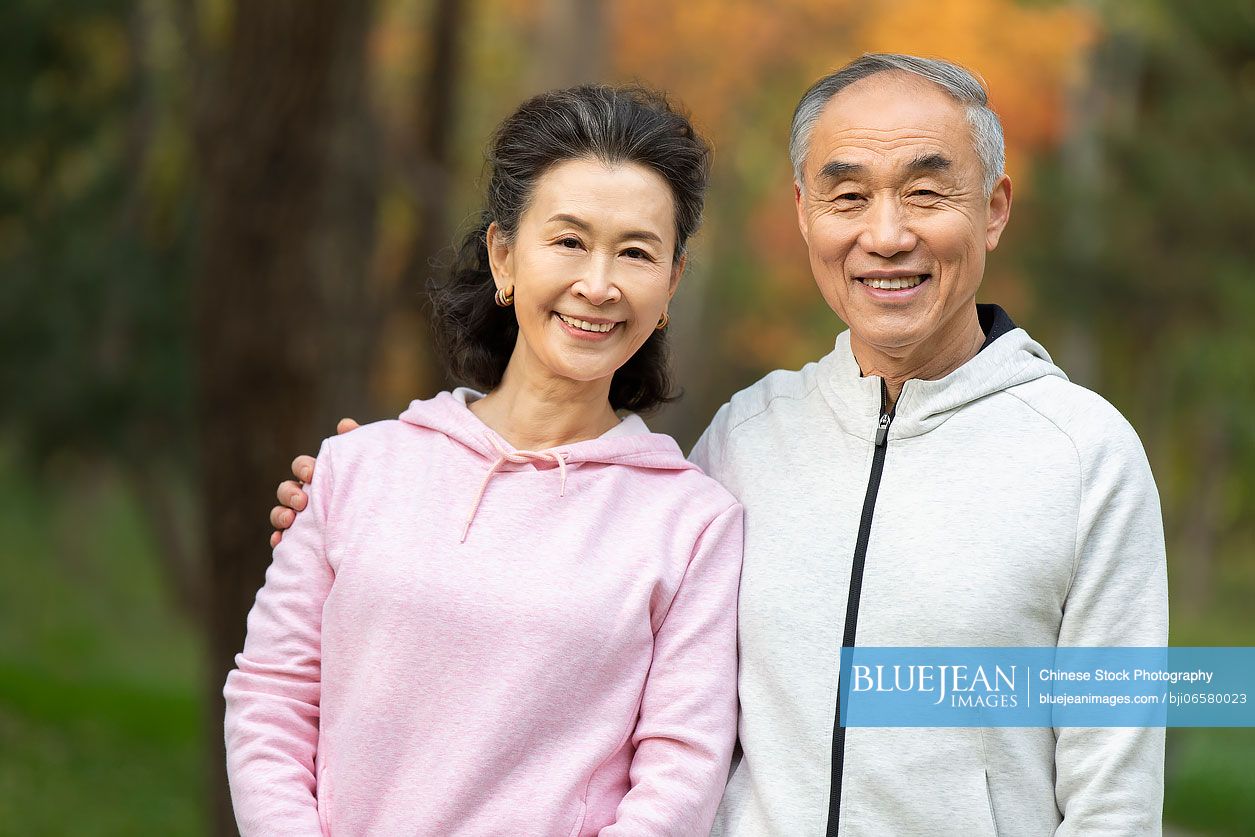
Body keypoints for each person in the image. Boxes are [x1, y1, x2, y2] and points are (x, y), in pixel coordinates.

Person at [273, 55, 1168, 835]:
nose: (885, 234)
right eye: (847, 195)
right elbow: (583, 587)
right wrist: (380, 501)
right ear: (805, 213)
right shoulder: (747, 434)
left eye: (926, 192)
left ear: (994, 209)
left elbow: (1114, 797)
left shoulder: (1085, 457)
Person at [228, 84, 744, 836]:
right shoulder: (356, 469)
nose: (598, 285)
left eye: (635, 253)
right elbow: (271, 697)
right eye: (568, 241)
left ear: (670, 284)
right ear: (504, 256)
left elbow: (681, 771)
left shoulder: (694, 524)